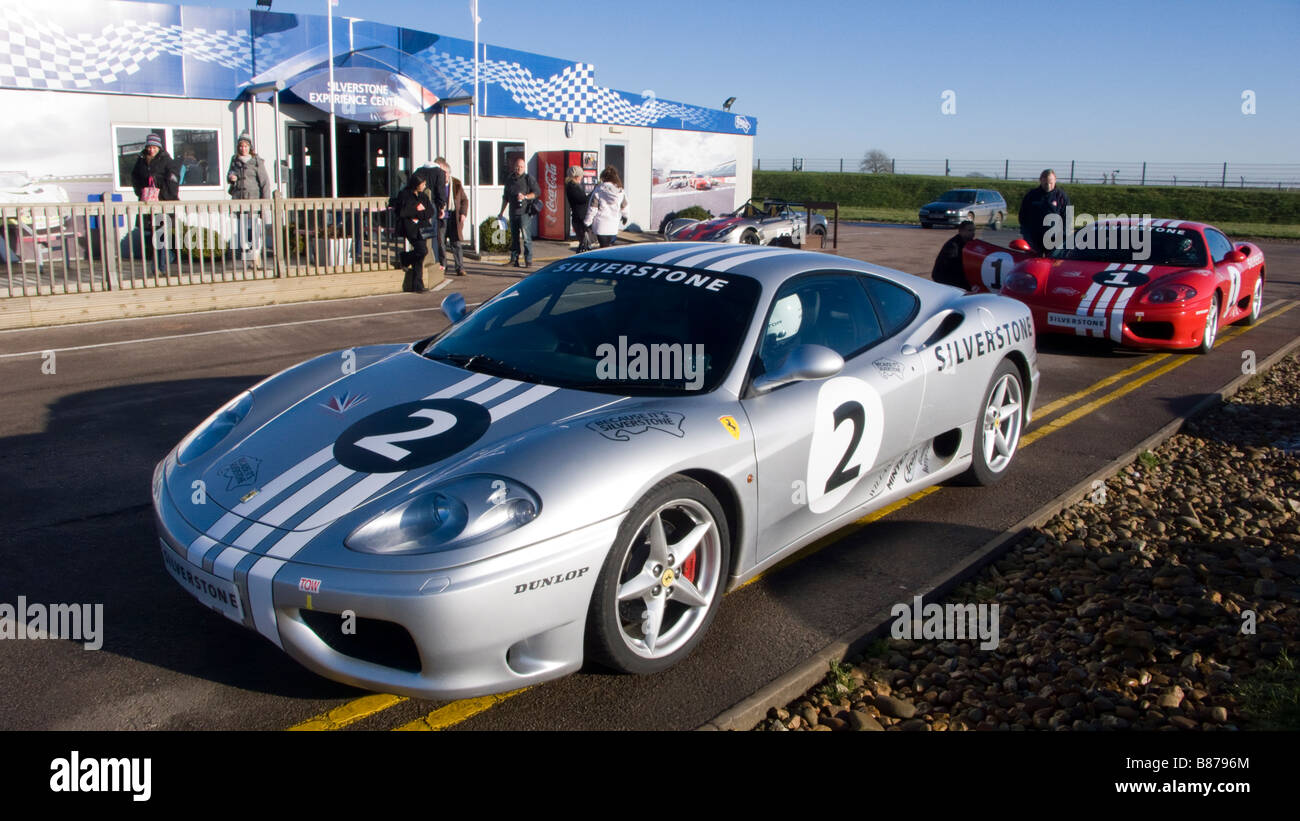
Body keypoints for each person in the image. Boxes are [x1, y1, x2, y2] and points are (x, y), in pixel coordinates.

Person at [130, 133, 180, 271]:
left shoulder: (167, 161)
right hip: (147, 204)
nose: (151, 150)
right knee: (152, 236)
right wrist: (141, 192)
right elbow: (135, 178)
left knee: (162, 235)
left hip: (164, 203)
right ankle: (159, 264)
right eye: (149, 147)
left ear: (159, 147)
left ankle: (161, 267)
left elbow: (173, 181)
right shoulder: (141, 161)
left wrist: (162, 195)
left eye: (154, 147)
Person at [395, 169, 434, 293]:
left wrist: (419, 212)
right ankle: (405, 258)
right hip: (410, 228)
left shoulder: (423, 196)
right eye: (423, 184)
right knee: (422, 251)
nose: (424, 185)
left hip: (422, 228)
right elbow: (403, 212)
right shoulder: (404, 194)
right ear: (416, 184)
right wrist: (418, 210)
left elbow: (430, 212)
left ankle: (417, 285)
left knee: (420, 256)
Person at [497, 156, 540, 267]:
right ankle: (514, 259)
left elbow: (537, 192)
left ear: (524, 167)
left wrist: (525, 197)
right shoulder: (509, 180)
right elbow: (505, 198)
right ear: (514, 167)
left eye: (521, 167)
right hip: (513, 212)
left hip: (524, 212)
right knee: (514, 237)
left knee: (526, 237)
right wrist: (501, 212)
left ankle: (528, 260)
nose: (519, 169)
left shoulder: (528, 179)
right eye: (517, 167)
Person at [1018, 168, 1070, 254]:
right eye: (1046, 183)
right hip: (1034, 240)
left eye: (1051, 183)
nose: (1048, 186)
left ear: (1055, 180)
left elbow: (1068, 219)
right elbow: (1022, 217)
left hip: (1055, 240)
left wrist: (1064, 237)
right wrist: (1026, 234)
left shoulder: (1062, 197)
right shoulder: (1031, 195)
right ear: (1040, 180)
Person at [584, 166, 629, 248]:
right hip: (613, 224)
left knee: (603, 247)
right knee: (608, 247)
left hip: (600, 223)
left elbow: (592, 208)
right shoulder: (620, 191)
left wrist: (587, 222)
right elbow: (624, 206)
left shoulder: (599, 190)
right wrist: (625, 216)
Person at [931, 220, 976, 289]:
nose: (973, 233)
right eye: (969, 230)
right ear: (961, 231)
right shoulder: (953, 245)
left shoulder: (970, 243)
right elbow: (954, 267)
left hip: (954, 275)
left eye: (973, 230)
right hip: (944, 277)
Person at [442, 159, 468, 276]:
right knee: (441, 243)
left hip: (453, 217)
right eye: (441, 173)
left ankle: (460, 267)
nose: (444, 175)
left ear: (449, 173)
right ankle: (443, 266)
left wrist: (463, 213)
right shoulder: (437, 184)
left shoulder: (456, 183)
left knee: (456, 243)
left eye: (445, 173)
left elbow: (464, 200)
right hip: (441, 217)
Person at [423, 158, 450, 271]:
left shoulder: (420, 172)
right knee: (434, 237)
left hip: (422, 208)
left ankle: (427, 261)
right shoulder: (438, 174)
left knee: (425, 236)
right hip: (433, 208)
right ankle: (435, 262)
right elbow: (440, 191)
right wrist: (441, 206)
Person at [226, 133, 271, 199]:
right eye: (241, 146)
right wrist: (231, 178)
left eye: (246, 146)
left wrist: (266, 202)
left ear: (250, 147)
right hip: (237, 198)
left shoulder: (257, 161)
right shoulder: (234, 160)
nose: (243, 149)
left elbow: (265, 182)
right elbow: (230, 173)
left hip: (253, 199)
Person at [564, 165, 591, 252]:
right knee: (584, 242)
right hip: (580, 217)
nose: (582, 178)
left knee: (583, 241)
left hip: (577, 216)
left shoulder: (572, 186)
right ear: (577, 176)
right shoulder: (573, 187)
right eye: (581, 176)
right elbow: (582, 200)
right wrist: (593, 193)